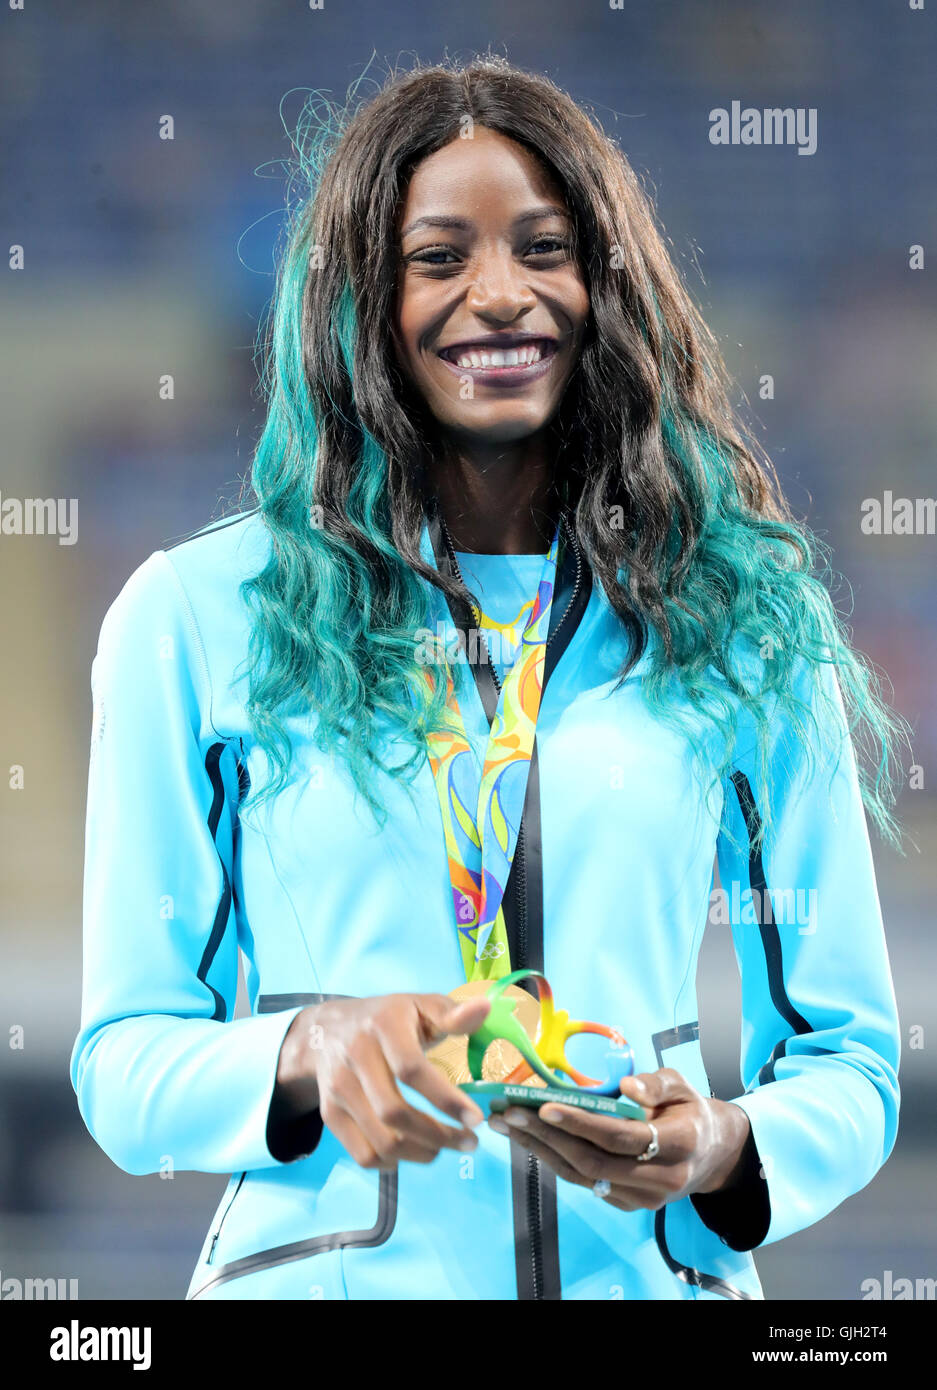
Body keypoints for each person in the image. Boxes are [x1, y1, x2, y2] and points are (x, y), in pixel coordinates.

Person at [70, 56, 906, 1301]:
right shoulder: (194, 622)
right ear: (360, 298)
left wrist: (722, 1146)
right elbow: (125, 1064)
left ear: (605, 289)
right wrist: (310, 1047)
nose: (500, 295)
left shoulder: (740, 625)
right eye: (440, 256)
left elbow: (850, 1060)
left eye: (544, 249)